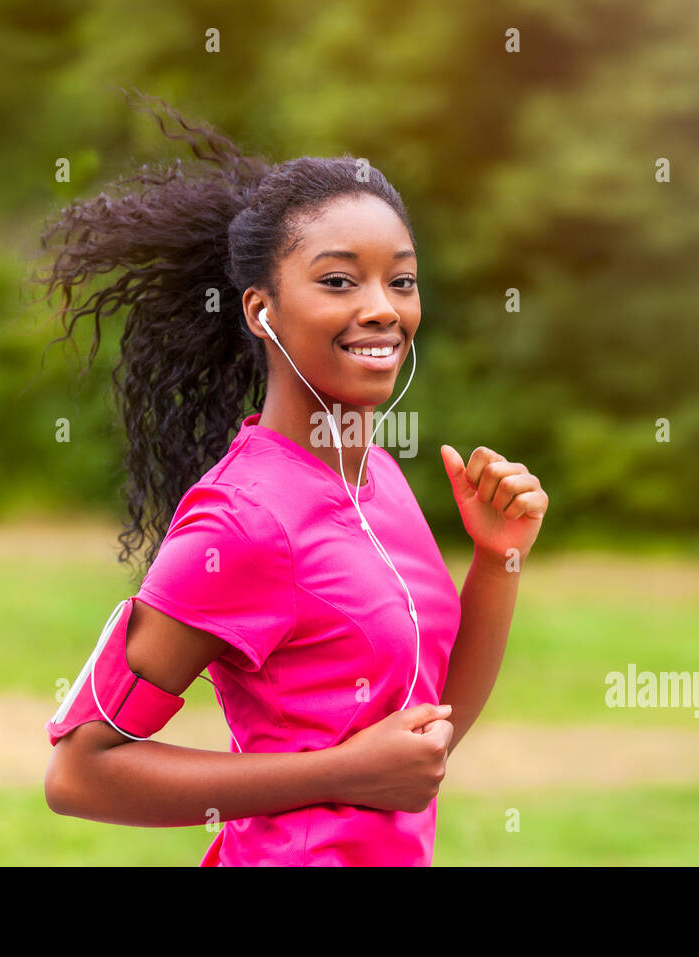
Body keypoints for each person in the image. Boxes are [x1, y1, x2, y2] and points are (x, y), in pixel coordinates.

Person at [37, 93, 548, 866]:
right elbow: (81, 771)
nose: (381, 309)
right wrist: (343, 772)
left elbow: (423, 745)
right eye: (339, 281)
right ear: (260, 310)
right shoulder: (241, 520)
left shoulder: (381, 480)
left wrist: (499, 556)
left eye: (401, 282)